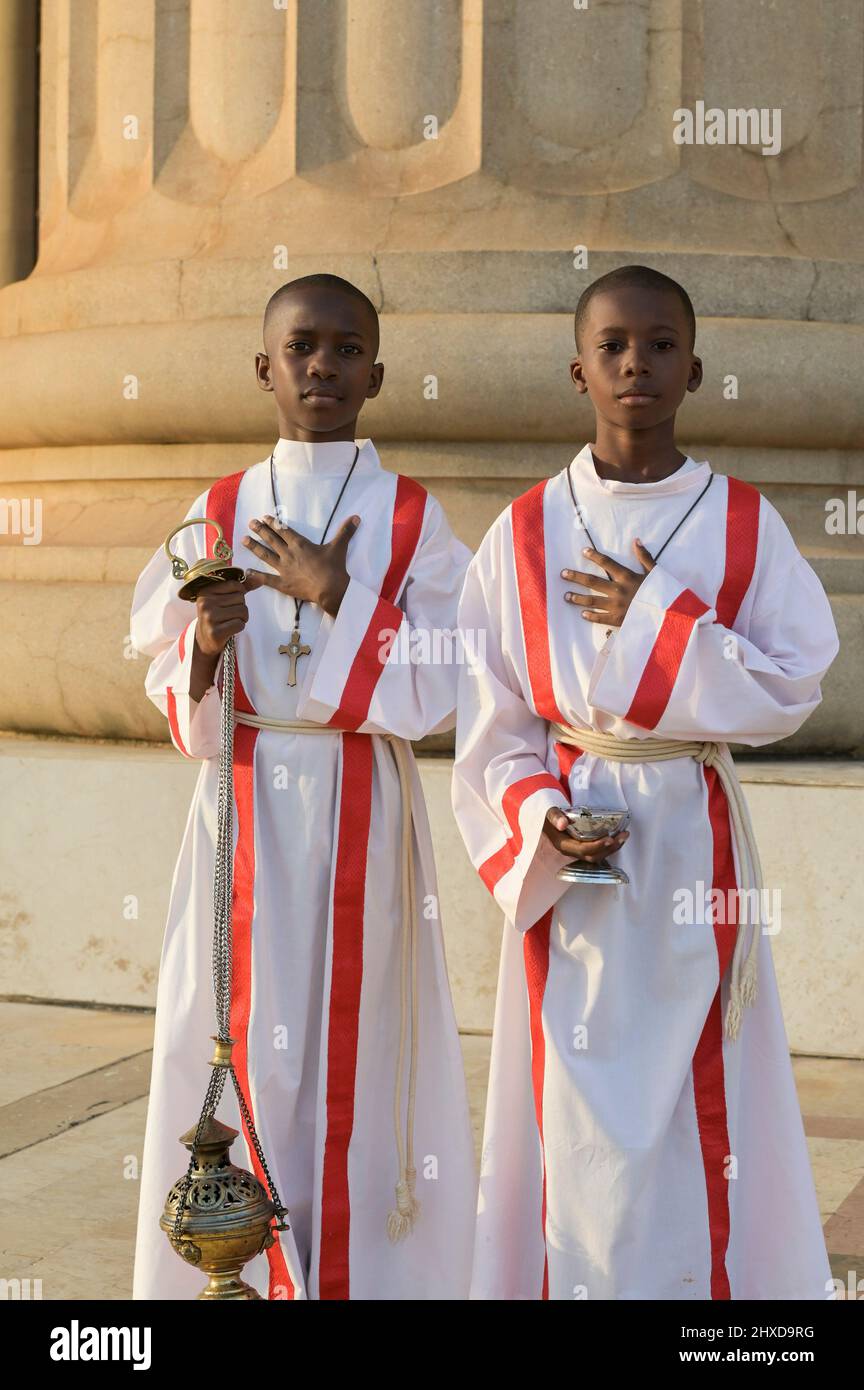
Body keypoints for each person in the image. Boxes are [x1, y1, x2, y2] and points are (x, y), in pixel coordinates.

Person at [451, 264, 840, 1300]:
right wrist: (539, 817)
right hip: (576, 857)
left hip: (692, 838)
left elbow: (793, 680)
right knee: (581, 1117)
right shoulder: (521, 532)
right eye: (614, 345)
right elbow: (492, 724)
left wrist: (658, 616)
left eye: (661, 345)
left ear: (696, 369)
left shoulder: (742, 521)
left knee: (700, 1102)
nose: (637, 364)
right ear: (578, 371)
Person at [130, 273, 476, 1300]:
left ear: (377, 371)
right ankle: (229, 1270)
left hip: (362, 803)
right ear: (264, 368)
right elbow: (161, 663)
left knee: (359, 1051)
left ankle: (364, 1276)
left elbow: (451, 676)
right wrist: (202, 645)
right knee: (232, 1031)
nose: (322, 364)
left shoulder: (413, 517)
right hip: (245, 805)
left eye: (344, 347)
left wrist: (339, 596)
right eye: (301, 347)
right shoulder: (221, 508)